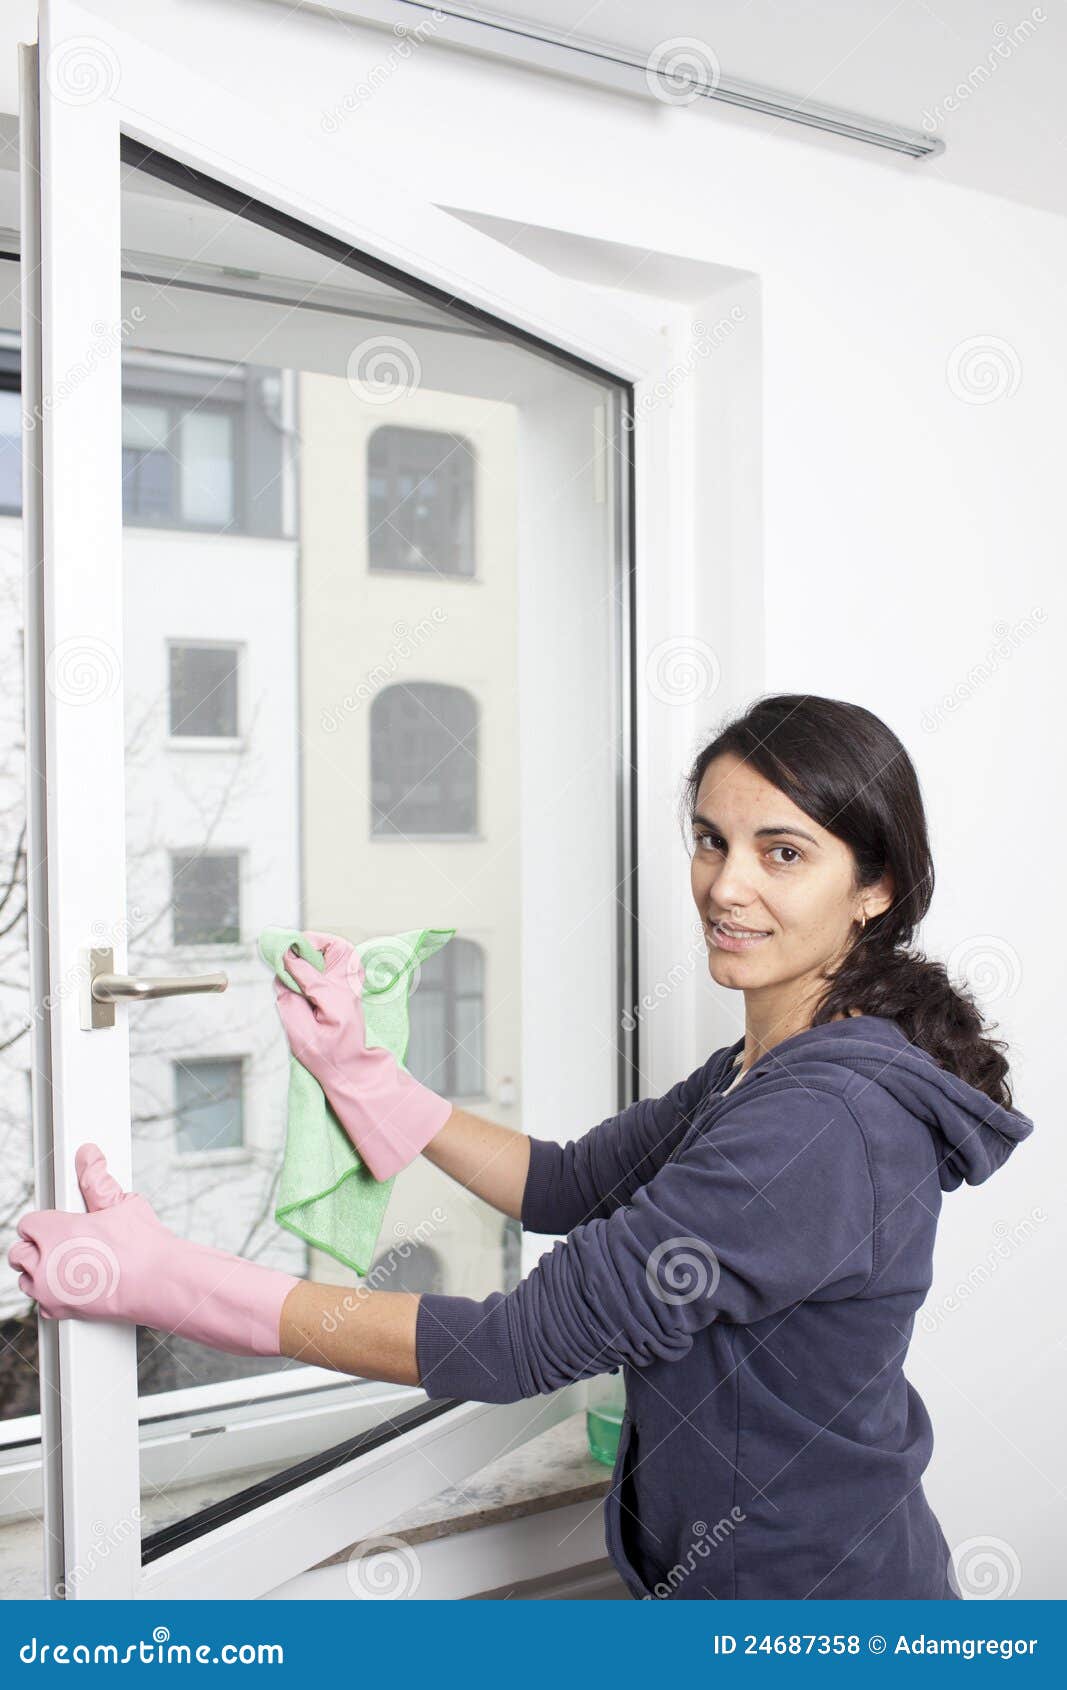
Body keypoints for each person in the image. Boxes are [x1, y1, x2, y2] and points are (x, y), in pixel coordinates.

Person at [8, 692, 1034, 1600]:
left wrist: (166, 1281)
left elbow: (509, 1347)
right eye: (709, 839)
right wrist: (364, 1076)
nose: (724, 887)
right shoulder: (770, 1060)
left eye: (782, 851)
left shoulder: (819, 1121)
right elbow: (566, 1182)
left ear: (874, 886)